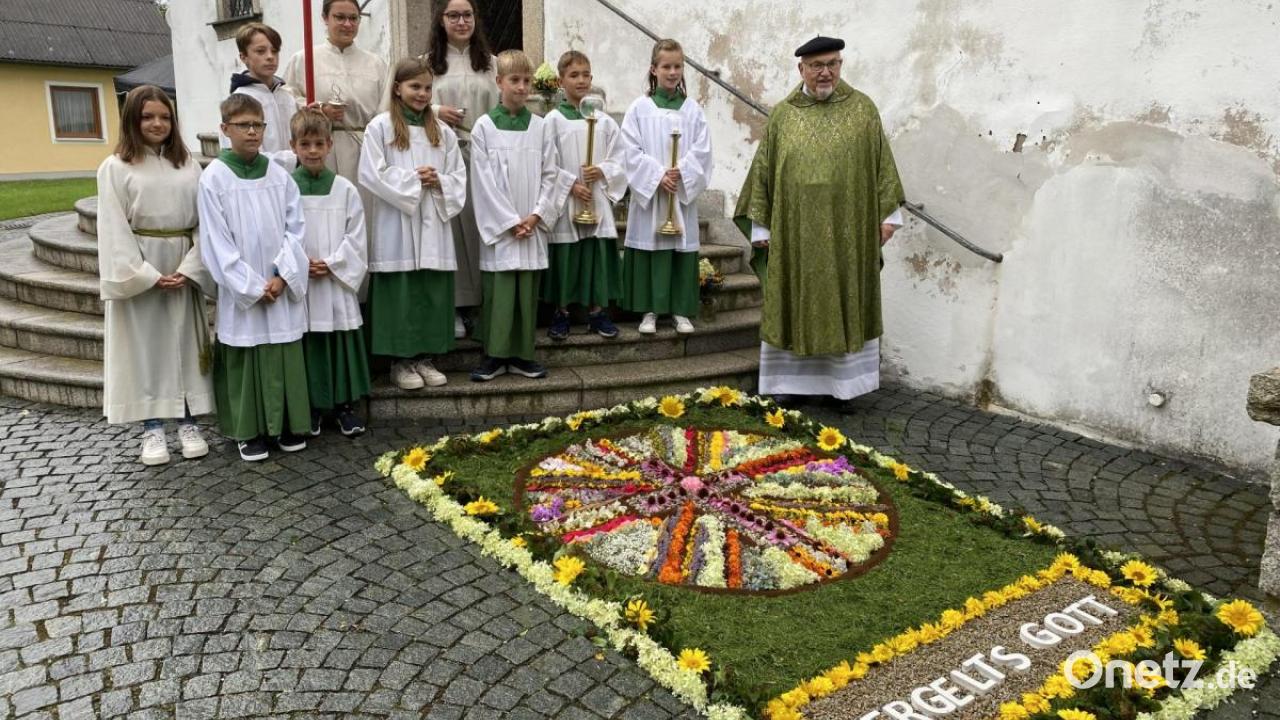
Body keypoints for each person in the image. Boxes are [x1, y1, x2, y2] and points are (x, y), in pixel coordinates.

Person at [733, 36, 905, 406]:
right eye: (816, 65)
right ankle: (789, 385)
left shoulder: (862, 110)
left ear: (840, 64)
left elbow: (882, 165)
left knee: (844, 296)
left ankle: (844, 387)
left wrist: (888, 217)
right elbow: (763, 172)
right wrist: (761, 227)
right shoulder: (783, 115)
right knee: (792, 300)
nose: (825, 72)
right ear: (802, 69)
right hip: (793, 233)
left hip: (849, 231)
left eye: (832, 63)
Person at [97, 85, 215, 466]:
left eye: (164, 116)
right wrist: (144, 274)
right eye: (147, 116)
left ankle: (188, 422)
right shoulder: (116, 167)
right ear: (132, 119)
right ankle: (152, 428)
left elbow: (205, 221)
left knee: (184, 346)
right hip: (142, 263)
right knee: (147, 350)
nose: (157, 123)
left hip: (182, 262)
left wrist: (191, 267)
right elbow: (112, 226)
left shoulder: (188, 165)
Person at [200, 94, 311, 462]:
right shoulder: (214, 178)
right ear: (225, 129)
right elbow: (216, 241)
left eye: (257, 125)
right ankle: (248, 430)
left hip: (277, 284)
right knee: (246, 353)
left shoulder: (279, 175)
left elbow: (296, 229)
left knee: (283, 352)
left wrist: (282, 275)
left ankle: (288, 424)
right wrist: (250, 286)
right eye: (243, 125)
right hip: (244, 291)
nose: (252, 132)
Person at [358, 58, 467, 390]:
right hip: (397, 221)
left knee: (430, 289)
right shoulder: (380, 127)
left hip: (433, 219)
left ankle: (425, 358)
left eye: (427, 88)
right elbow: (371, 173)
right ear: (397, 88)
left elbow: (458, 176)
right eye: (414, 87)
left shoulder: (443, 132)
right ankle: (400, 362)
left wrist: (440, 181)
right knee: (402, 290)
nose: (422, 94)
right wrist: (412, 179)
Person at [468, 49, 574, 382]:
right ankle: (494, 355)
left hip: (531, 224)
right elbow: (482, 181)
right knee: (499, 291)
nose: (522, 87)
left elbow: (551, 174)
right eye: (514, 80)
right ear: (499, 81)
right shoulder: (484, 127)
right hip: (503, 228)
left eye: (527, 81)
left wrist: (536, 216)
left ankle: (523, 355)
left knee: (526, 292)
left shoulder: (541, 127)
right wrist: (509, 221)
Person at [620, 38, 713, 336]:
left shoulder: (693, 110)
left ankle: (680, 310)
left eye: (678, 66)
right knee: (650, 246)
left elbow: (703, 151)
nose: (673, 72)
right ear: (654, 69)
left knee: (680, 249)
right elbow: (629, 150)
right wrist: (657, 175)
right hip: (652, 195)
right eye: (666, 67)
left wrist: (681, 173)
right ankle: (649, 310)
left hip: (679, 193)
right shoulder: (639, 109)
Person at [290, 109, 371, 435]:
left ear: (329, 145)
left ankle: (344, 407)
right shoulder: (285, 189)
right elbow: (278, 234)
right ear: (293, 146)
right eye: (305, 144)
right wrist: (299, 263)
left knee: (339, 339)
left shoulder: (344, 189)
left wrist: (334, 263)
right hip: (303, 283)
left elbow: (356, 235)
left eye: (319, 144)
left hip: (335, 281)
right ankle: (310, 407)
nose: (312, 151)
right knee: (307, 341)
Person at [425, 0, 498, 339]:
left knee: (482, 227)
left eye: (467, 15)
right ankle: (455, 305)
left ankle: (483, 304)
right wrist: (435, 110)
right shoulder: (428, 64)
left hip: (484, 156)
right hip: (445, 156)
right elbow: (406, 101)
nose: (461, 21)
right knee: (451, 230)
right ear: (441, 21)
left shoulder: (491, 64)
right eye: (453, 15)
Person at [542, 50, 626, 340]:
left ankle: (597, 312)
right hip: (567, 200)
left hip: (596, 199)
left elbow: (620, 158)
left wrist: (602, 170)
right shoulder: (553, 121)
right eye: (574, 75)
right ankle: (562, 312)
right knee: (566, 256)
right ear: (560, 81)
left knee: (597, 255)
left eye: (586, 75)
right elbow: (546, 162)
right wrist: (569, 184)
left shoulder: (604, 121)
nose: (581, 80)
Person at [281, 0, 386, 221]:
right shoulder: (304, 59)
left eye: (353, 18)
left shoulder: (376, 64)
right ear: (325, 18)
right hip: (321, 149)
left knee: (364, 215)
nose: (348, 24)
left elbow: (386, 109)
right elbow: (287, 100)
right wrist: (317, 110)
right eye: (340, 17)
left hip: (364, 150)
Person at [220, 22, 297, 169]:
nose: (270, 57)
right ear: (243, 57)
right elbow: (241, 154)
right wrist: (293, 159)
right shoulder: (239, 101)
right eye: (261, 51)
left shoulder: (287, 98)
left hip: (293, 178)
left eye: (274, 51)